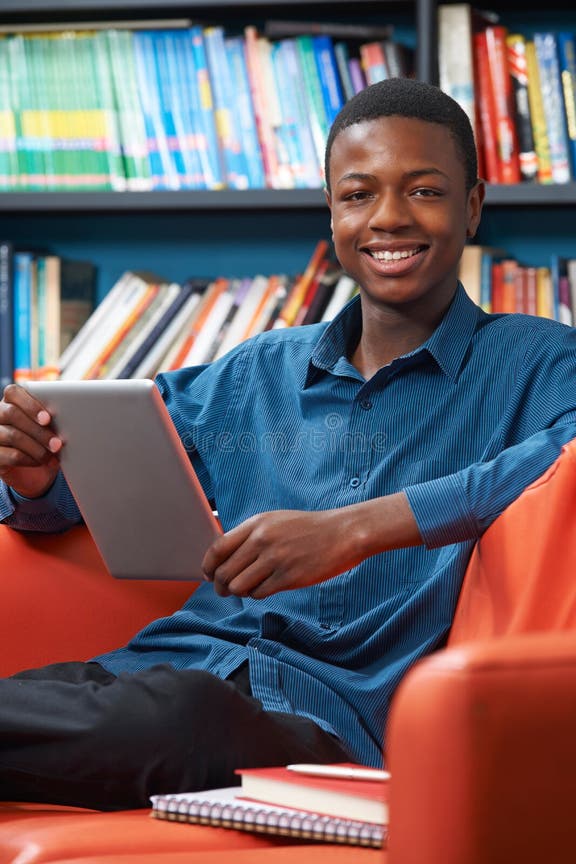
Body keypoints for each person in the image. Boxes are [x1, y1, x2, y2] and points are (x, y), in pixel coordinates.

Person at [1, 77, 576, 811]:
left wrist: (360, 528)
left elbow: (567, 455)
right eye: (358, 194)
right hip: (151, 673)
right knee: (89, 696)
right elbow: (85, 486)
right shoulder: (258, 371)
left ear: (471, 207)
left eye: (425, 192)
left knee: (186, 719)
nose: (388, 219)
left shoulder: (537, 361)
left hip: (320, 726)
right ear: (332, 214)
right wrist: (36, 478)